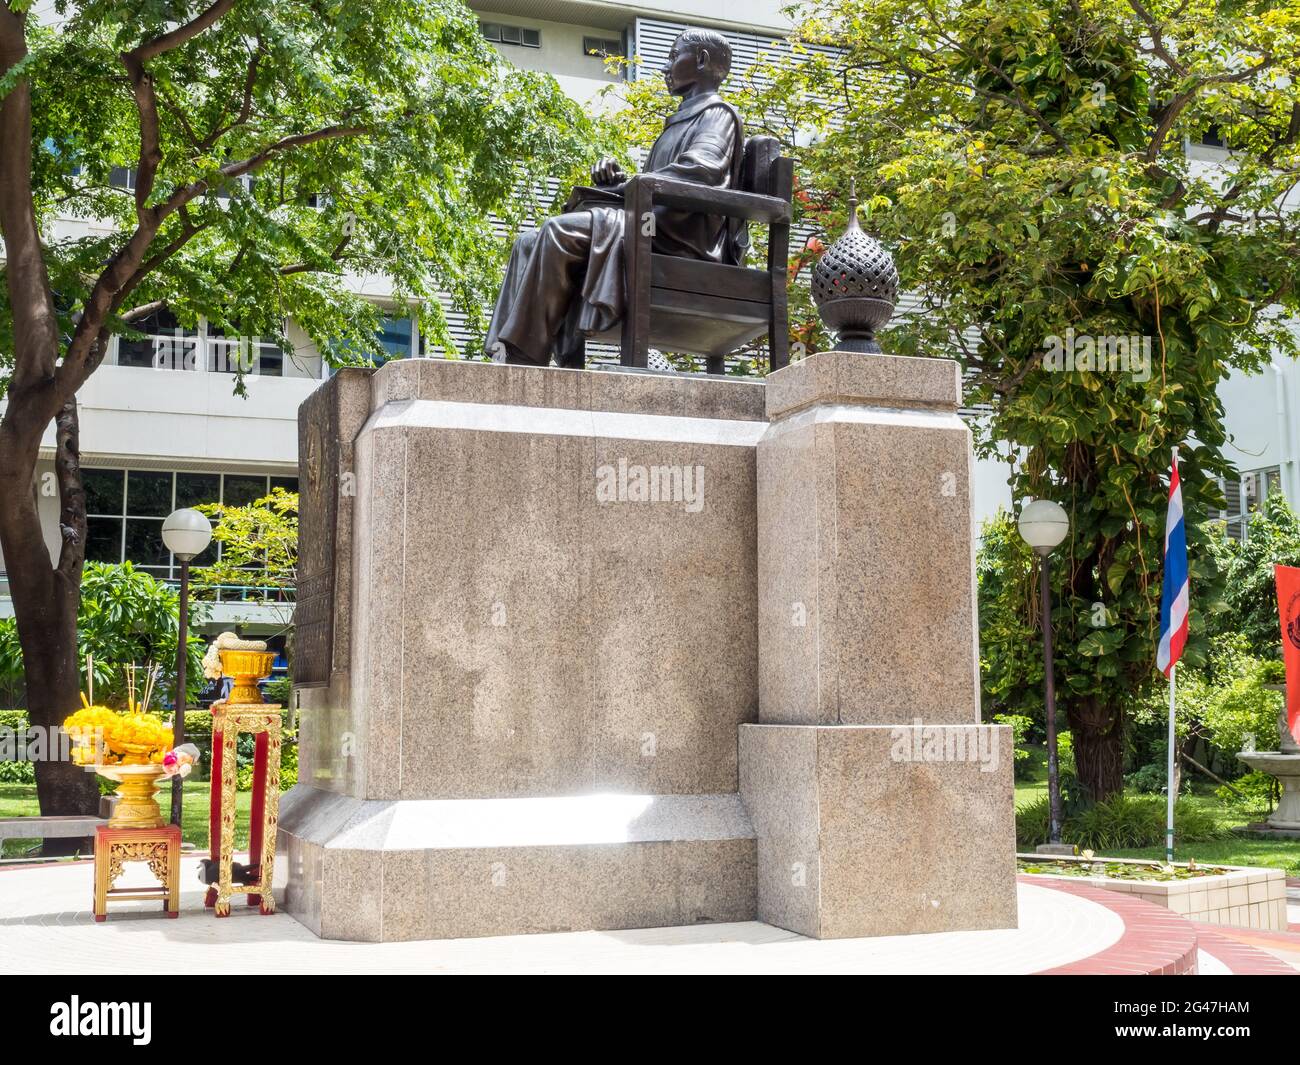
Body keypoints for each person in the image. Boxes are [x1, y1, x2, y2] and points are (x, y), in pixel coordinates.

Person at [485, 28, 744, 368]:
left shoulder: (717, 114)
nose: (665, 67)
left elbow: (701, 170)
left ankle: (525, 359)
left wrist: (633, 184)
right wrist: (619, 181)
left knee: (558, 232)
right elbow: (654, 183)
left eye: (672, 56)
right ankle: (505, 350)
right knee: (527, 241)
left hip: (679, 239)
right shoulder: (679, 121)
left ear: (701, 59)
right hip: (650, 227)